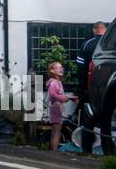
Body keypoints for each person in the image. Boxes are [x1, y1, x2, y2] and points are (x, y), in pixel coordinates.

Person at [76, 22, 107, 154]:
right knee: (107, 119)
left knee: (88, 119)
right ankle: (107, 150)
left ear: (94, 30)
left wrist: (82, 88)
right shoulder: (110, 43)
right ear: (105, 30)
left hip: (89, 88)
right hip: (107, 88)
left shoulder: (87, 45)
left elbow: (80, 68)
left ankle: (86, 150)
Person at [46, 61, 75, 152]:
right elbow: (52, 94)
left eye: (61, 67)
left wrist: (69, 98)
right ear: (52, 71)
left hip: (56, 108)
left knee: (55, 131)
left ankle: (53, 151)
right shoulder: (54, 82)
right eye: (58, 67)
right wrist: (63, 98)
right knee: (57, 131)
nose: (61, 69)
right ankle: (55, 152)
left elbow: (56, 95)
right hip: (56, 108)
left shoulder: (57, 82)